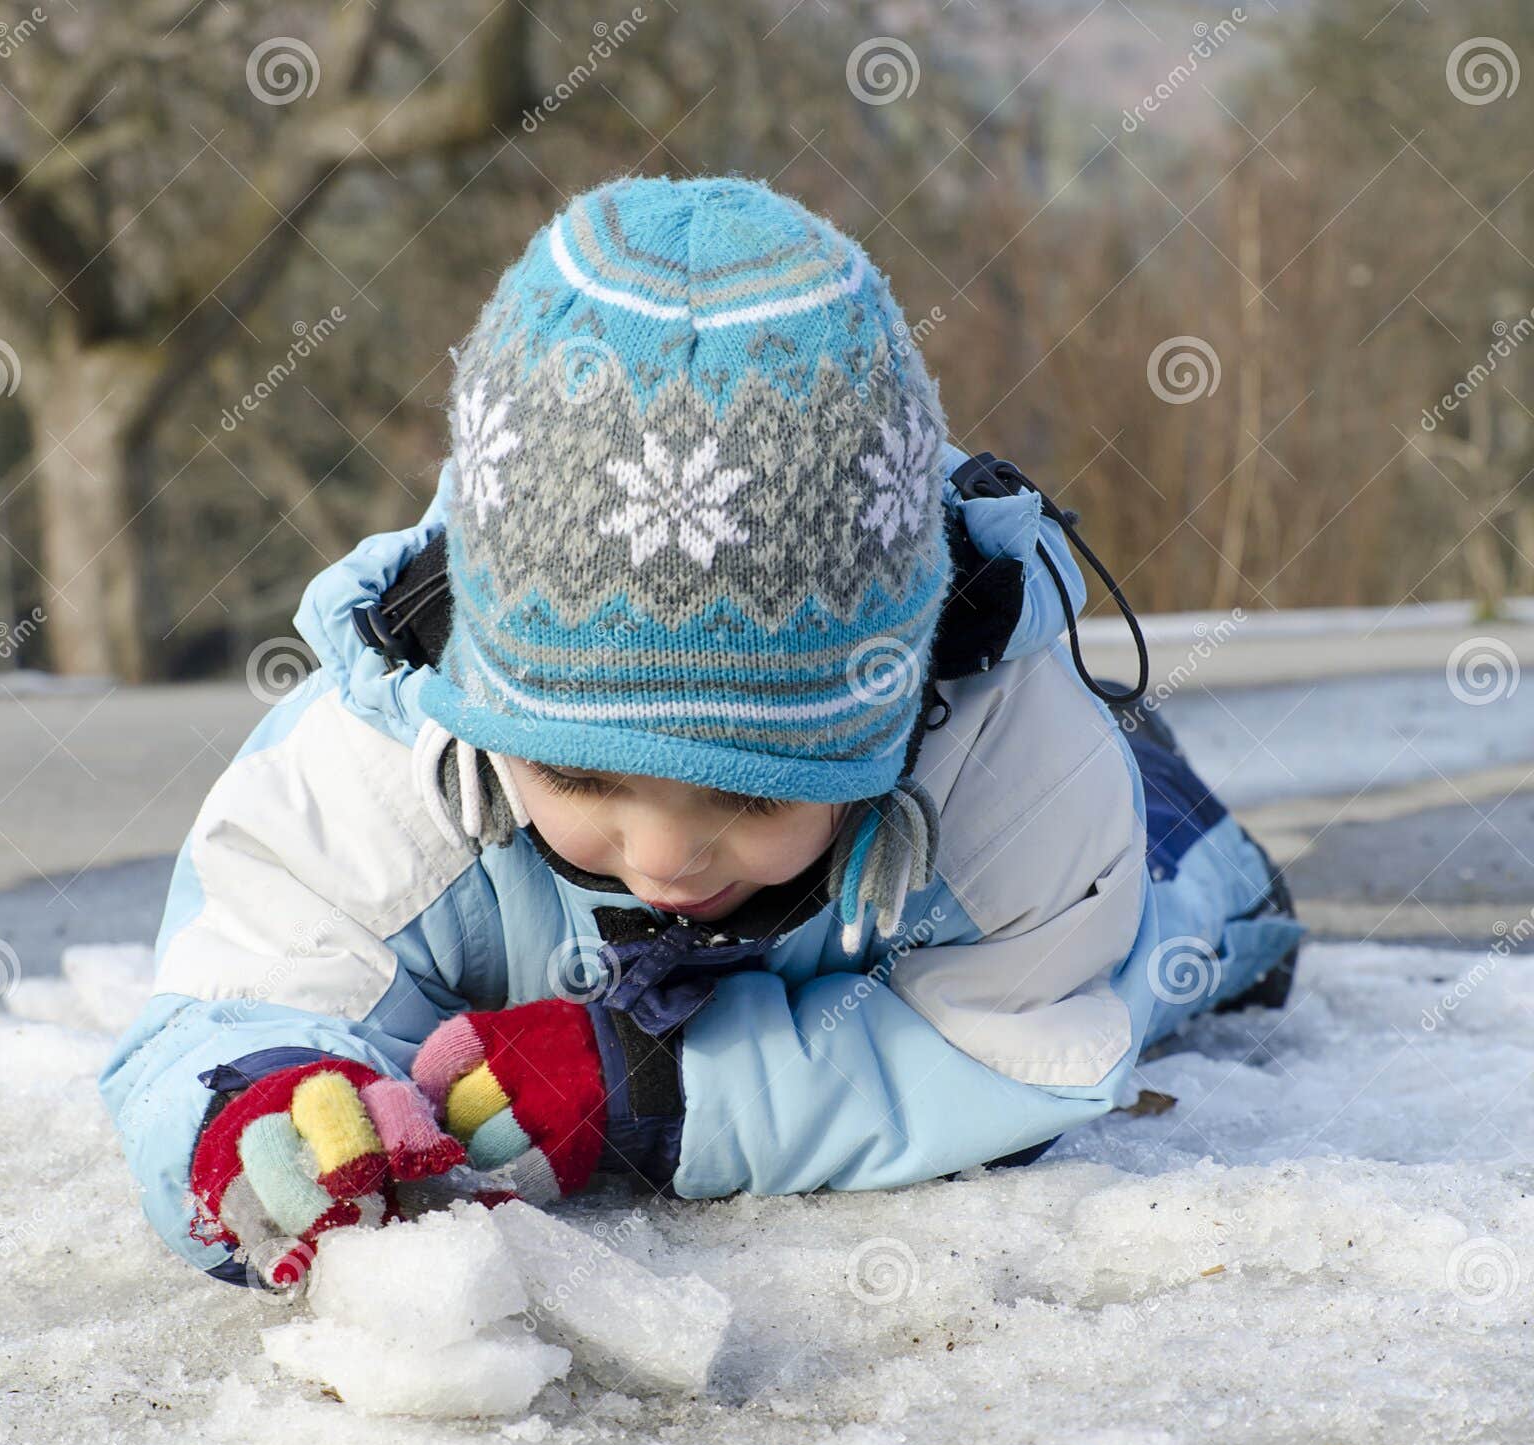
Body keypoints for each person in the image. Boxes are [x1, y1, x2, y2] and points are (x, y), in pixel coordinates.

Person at [98, 172, 1303, 1289]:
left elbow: (1026, 1040)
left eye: (753, 793)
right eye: (582, 775)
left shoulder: (1007, 756)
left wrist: (653, 1087)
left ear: (886, 726)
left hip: (1062, 844)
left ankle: (1221, 863)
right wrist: (263, 1109)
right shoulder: (386, 751)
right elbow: (248, 977)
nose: (667, 857)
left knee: (1158, 889)